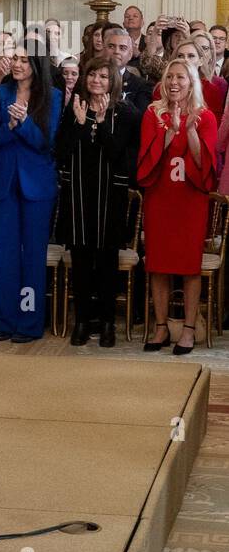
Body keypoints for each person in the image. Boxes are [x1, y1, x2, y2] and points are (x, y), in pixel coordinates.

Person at [138, 50, 217, 355]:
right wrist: (170, 132)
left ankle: (187, 327)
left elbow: (204, 165)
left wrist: (191, 131)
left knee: (189, 267)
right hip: (160, 199)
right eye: (170, 76)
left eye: (180, 77)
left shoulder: (205, 115)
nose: (174, 82)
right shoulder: (152, 113)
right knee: (158, 264)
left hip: (189, 201)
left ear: (191, 81)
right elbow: (146, 160)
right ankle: (160, 327)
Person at [56, 55, 139, 348]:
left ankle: (106, 322)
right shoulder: (74, 107)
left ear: (112, 81)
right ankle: (81, 320)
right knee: (80, 259)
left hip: (109, 198)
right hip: (78, 195)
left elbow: (122, 158)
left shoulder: (126, 112)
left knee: (106, 261)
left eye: (104, 77)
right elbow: (61, 152)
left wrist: (102, 124)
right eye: (93, 75)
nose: (97, 81)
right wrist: (79, 124)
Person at [0, 49, 62, 343]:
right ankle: (3, 321)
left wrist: (25, 123)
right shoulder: (2, 92)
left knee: (32, 255)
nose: (16, 64)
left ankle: (29, 322)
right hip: (4, 181)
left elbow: (46, 142)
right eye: (14, 58)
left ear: (36, 64)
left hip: (37, 185)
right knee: (4, 254)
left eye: (24, 60)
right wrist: (11, 127)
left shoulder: (52, 96)